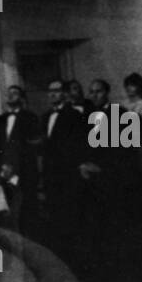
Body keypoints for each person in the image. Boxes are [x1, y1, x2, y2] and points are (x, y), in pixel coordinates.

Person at [40, 79, 87, 264]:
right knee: (56, 218)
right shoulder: (45, 117)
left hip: (69, 175)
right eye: (50, 91)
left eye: (57, 91)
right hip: (51, 176)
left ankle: (78, 263)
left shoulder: (74, 115)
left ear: (64, 94)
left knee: (72, 218)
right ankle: (62, 261)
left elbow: (78, 145)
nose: (52, 94)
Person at [0, 85, 39, 232]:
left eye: (15, 93)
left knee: (26, 213)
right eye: (9, 93)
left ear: (22, 98)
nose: (11, 96)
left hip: (24, 173)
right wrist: (1, 169)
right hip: (5, 175)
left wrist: (15, 169)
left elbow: (31, 146)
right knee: (13, 211)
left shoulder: (30, 117)